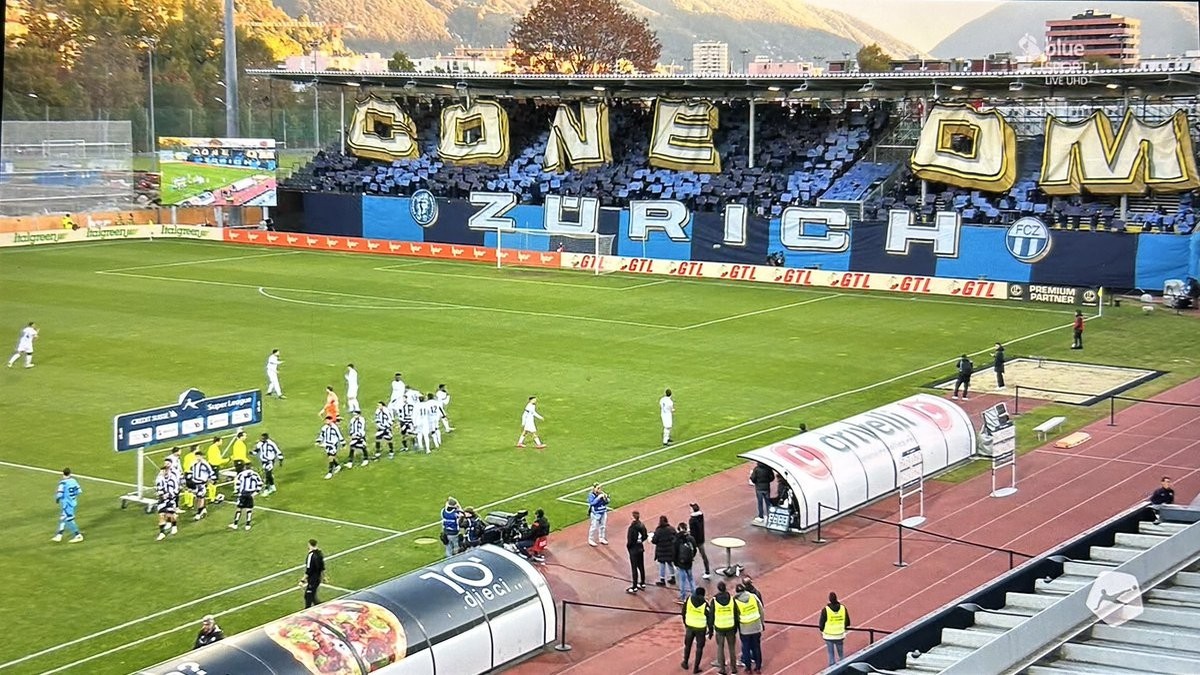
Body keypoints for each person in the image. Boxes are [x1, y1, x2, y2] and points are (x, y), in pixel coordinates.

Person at [711, 581, 740, 674]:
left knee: (720, 648)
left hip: (719, 627)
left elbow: (711, 615)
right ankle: (734, 669)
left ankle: (722, 669)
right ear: (725, 588)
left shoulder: (714, 601)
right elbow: (736, 614)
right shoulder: (732, 599)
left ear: (718, 589)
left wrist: (710, 628)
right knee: (732, 648)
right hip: (730, 626)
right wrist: (736, 627)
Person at [735, 583, 765, 673]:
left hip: (744, 629)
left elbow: (735, 616)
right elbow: (761, 610)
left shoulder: (735, 601)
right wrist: (761, 623)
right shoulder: (753, 597)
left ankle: (748, 668)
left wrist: (737, 628)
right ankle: (758, 666)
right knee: (756, 647)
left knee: (746, 648)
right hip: (756, 626)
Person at [680, 586, 710, 674]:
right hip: (700, 628)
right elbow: (709, 616)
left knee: (687, 645)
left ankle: (685, 662)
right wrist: (710, 629)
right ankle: (696, 668)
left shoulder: (689, 599)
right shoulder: (705, 603)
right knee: (699, 648)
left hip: (689, 626)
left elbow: (683, 612)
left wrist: (685, 623)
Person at [228, 460, 263, 531]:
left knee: (239, 508)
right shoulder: (255, 474)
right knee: (249, 509)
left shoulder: (241, 474)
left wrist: (237, 493)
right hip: (250, 494)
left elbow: (237, 484)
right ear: (251, 467)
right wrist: (256, 492)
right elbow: (260, 483)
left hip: (243, 493)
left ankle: (235, 524)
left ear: (244, 467)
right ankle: (248, 525)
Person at [53, 468, 83, 543]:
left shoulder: (63, 483)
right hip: (73, 502)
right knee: (63, 518)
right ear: (70, 473)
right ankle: (59, 535)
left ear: (63, 474)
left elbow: (59, 494)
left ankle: (78, 535)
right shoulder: (74, 481)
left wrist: (57, 499)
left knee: (69, 520)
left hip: (67, 504)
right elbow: (79, 491)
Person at [819, 592, 850, 666]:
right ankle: (843, 668)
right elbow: (847, 622)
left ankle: (832, 669)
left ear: (829, 600)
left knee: (831, 655)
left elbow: (821, 623)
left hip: (828, 635)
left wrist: (822, 631)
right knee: (841, 654)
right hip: (840, 635)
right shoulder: (843, 608)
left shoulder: (825, 610)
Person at [154, 462, 180, 541]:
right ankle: (162, 533)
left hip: (171, 499)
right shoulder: (159, 479)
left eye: (165, 470)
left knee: (170, 515)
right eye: (163, 471)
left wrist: (171, 495)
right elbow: (158, 488)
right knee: (161, 515)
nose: (164, 472)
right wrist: (162, 495)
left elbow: (176, 488)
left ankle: (174, 526)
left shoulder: (173, 478)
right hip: (162, 500)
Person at [187, 449, 215, 520]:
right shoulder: (193, 463)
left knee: (201, 496)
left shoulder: (205, 464)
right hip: (195, 483)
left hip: (202, 483)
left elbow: (211, 472)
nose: (197, 458)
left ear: (202, 456)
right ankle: (203, 509)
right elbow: (190, 471)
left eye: (199, 456)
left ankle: (198, 513)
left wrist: (211, 480)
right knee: (197, 497)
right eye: (196, 456)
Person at [674, 522, 698, 605]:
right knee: (691, 579)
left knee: (682, 581)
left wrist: (676, 563)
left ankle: (683, 597)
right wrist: (691, 558)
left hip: (681, 563)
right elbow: (695, 549)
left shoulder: (677, 539)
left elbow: (675, 552)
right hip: (689, 562)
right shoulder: (691, 538)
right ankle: (695, 595)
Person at [626, 510, 648, 593]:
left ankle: (634, 586)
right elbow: (645, 536)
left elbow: (630, 540)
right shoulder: (642, 525)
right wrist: (641, 541)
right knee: (641, 566)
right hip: (640, 548)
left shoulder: (632, 528)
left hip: (633, 549)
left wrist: (629, 547)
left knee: (634, 567)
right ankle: (642, 583)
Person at [689, 503, 712, 580]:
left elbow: (692, 532)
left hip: (694, 541)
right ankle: (707, 571)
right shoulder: (700, 516)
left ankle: (687, 571)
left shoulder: (692, 520)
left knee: (689, 555)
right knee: (704, 556)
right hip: (701, 539)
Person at [653, 515, 677, 586]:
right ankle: (673, 577)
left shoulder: (658, 530)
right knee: (670, 563)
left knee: (662, 565)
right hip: (670, 550)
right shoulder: (671, 529)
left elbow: (654, 540)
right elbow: (675, 538)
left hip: (661, 551)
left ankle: (662, 579)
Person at [301, 539, 325, 608]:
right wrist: (324, 577)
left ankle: (306, 611)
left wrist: (302, 580)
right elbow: (322, 567)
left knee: (308, 597)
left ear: (309, 545)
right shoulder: (320, 553)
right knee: (313, 596)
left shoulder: (311, 555)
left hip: (312, 580)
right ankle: (320, 607)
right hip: (318, 578)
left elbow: (309, 569)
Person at [204, 436, 226, 504]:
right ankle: (212, 498)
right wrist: (228, 460)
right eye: (221, 441)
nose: (222, 442)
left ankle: (212, 497)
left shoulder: (212, 447)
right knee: (213, 482)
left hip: (212, 465)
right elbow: (217, 460)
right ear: (217, 441)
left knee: (212, 482)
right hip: (214, 466)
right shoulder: (214, 449)